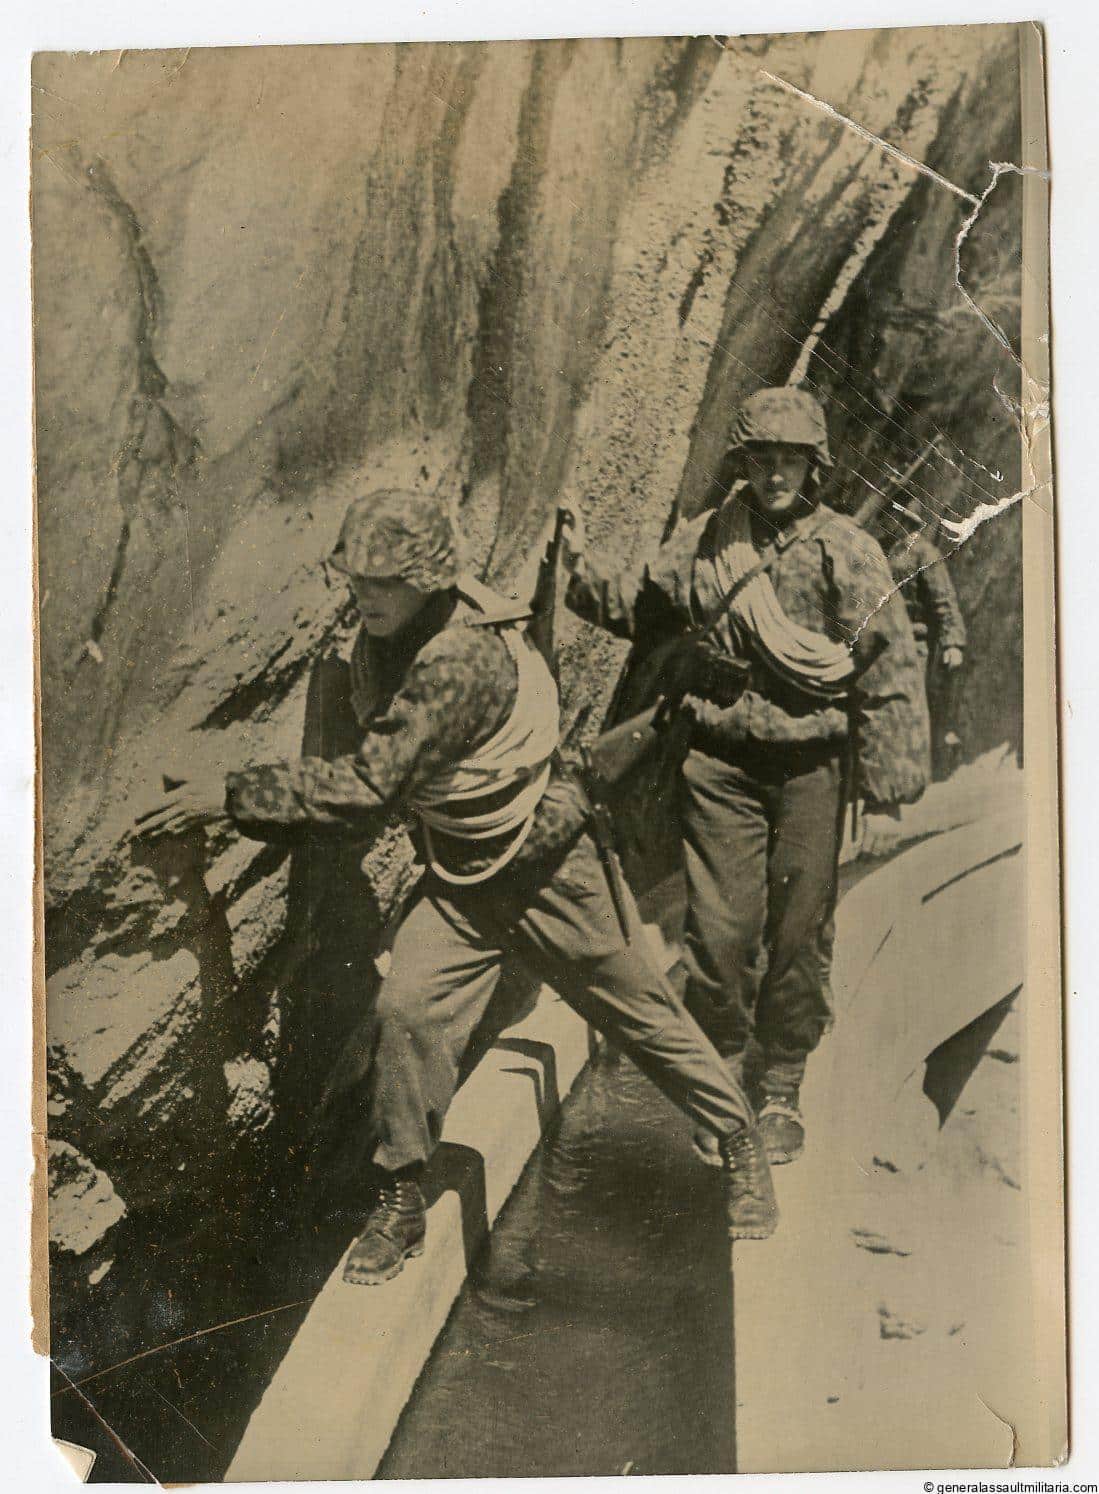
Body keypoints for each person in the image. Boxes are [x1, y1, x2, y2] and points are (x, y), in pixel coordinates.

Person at [137, 488, 779, 1285]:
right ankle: (402, 1196)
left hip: (548, 867)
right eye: (357, 578)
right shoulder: (395, 629)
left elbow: (368, 791)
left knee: (637, 1008)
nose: (362, 594)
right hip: (463, 871)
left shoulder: (456, 660)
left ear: (431, 582)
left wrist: (228, 795)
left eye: (383, 582)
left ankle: (737, 1137)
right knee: (406, 1010)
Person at [561, 387, 930, 1166]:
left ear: (812, 467)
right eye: (760, 460)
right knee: (721, 931)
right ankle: (723, 1075)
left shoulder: (843, 550)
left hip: (809, 763)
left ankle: (782, 1081)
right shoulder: (704, 541)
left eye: (789, 461)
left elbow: (889, 659)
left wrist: (889, 786)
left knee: (798, 928)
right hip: (719, 761)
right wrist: (568, 566)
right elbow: (644, 609)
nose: (773, 477)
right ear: (742, 464)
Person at [884, 504, 967, 777]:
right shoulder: (881, 550)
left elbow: (943, 600)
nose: (888, 520)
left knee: (915, 709)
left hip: (915, 645)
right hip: (884, 646)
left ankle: (919, 774)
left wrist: (953, 642)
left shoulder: (923, 552)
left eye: (893, 515)